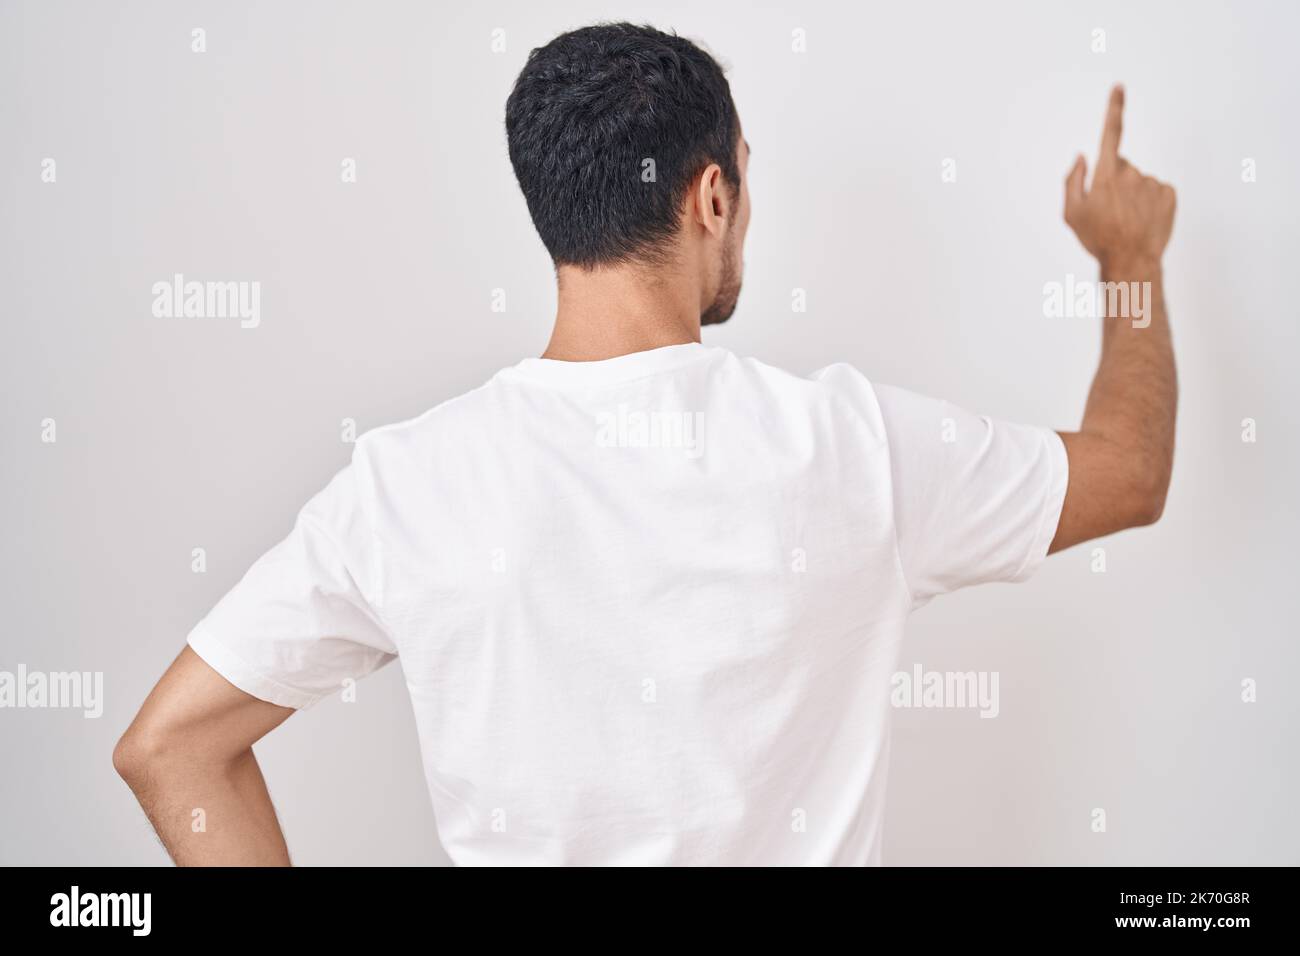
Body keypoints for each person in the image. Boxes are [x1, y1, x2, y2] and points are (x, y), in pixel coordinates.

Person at [114, 23, 1176, 866]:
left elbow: (169, 748)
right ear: (712, 193)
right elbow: (1129, 469)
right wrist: (1129, 255)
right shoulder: (853, 448)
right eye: (744, 184)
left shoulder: (407, 485)